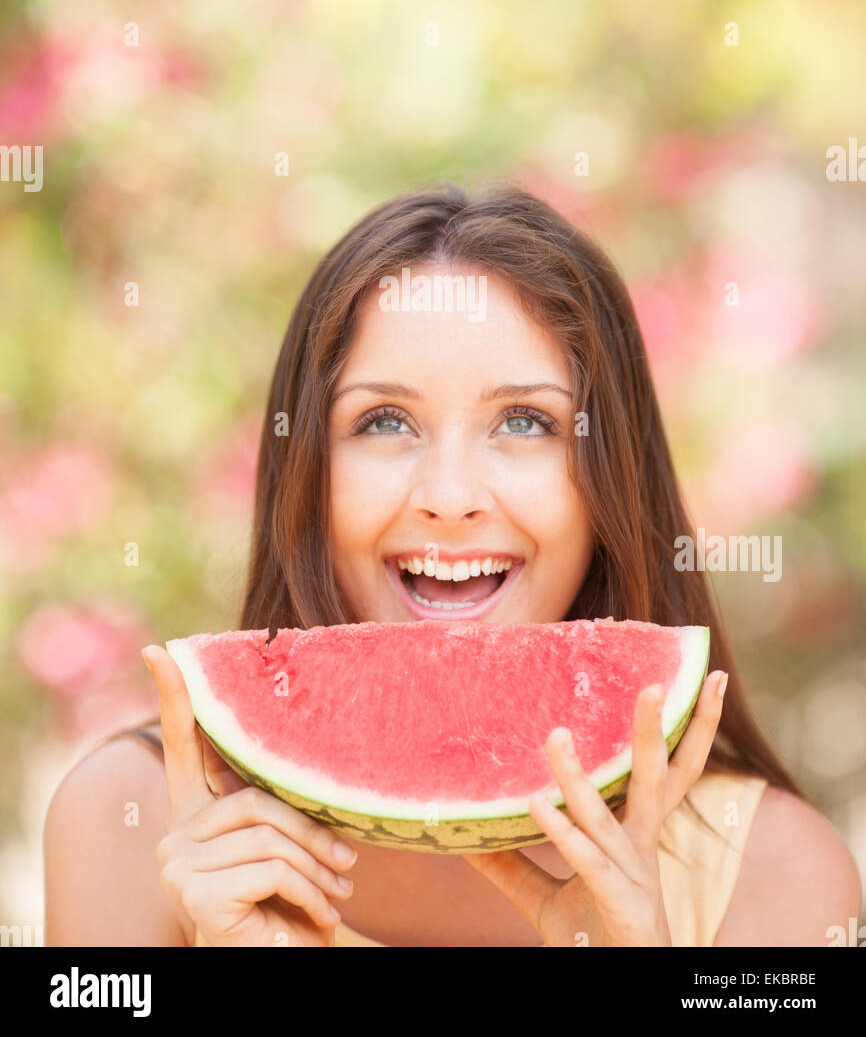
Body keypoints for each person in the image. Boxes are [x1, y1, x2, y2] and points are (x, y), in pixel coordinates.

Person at [44, 181, 860, 946]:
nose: (451, 495)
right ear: (308, 474)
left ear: (611, 477)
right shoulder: (127, 821)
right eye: (386, 420)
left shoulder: (775, 873)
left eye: (526, 421)